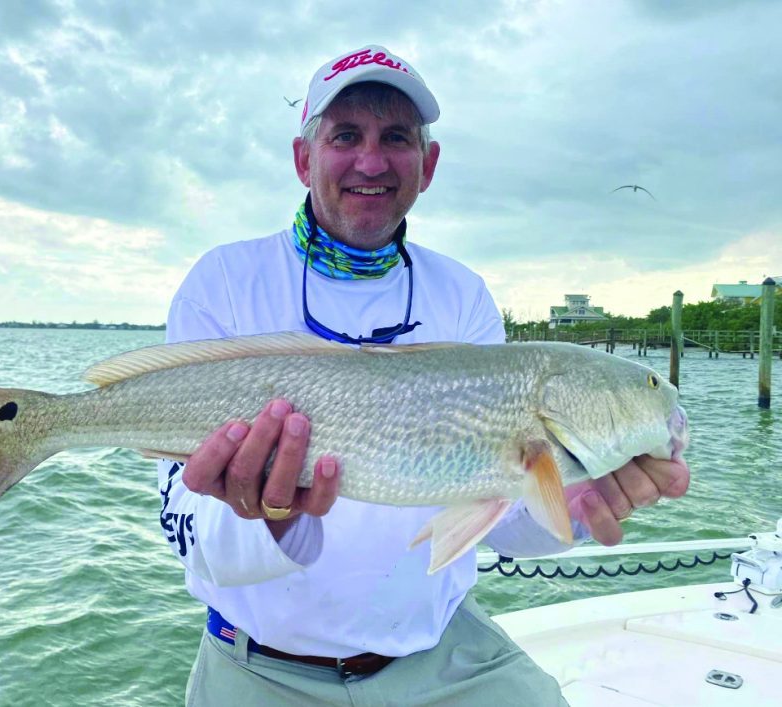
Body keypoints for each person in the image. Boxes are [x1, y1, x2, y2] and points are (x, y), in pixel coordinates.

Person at [157, 45, 690, 706]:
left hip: (440, 656)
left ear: (428, 165)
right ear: (303, 159)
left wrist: (567, 508)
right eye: (346, 135)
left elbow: (492, 512)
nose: (372, 161)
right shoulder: (222, 284)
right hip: (260, 665)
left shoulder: (462, 296)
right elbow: (182, 525)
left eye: (397, 138)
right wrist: (270, 518)